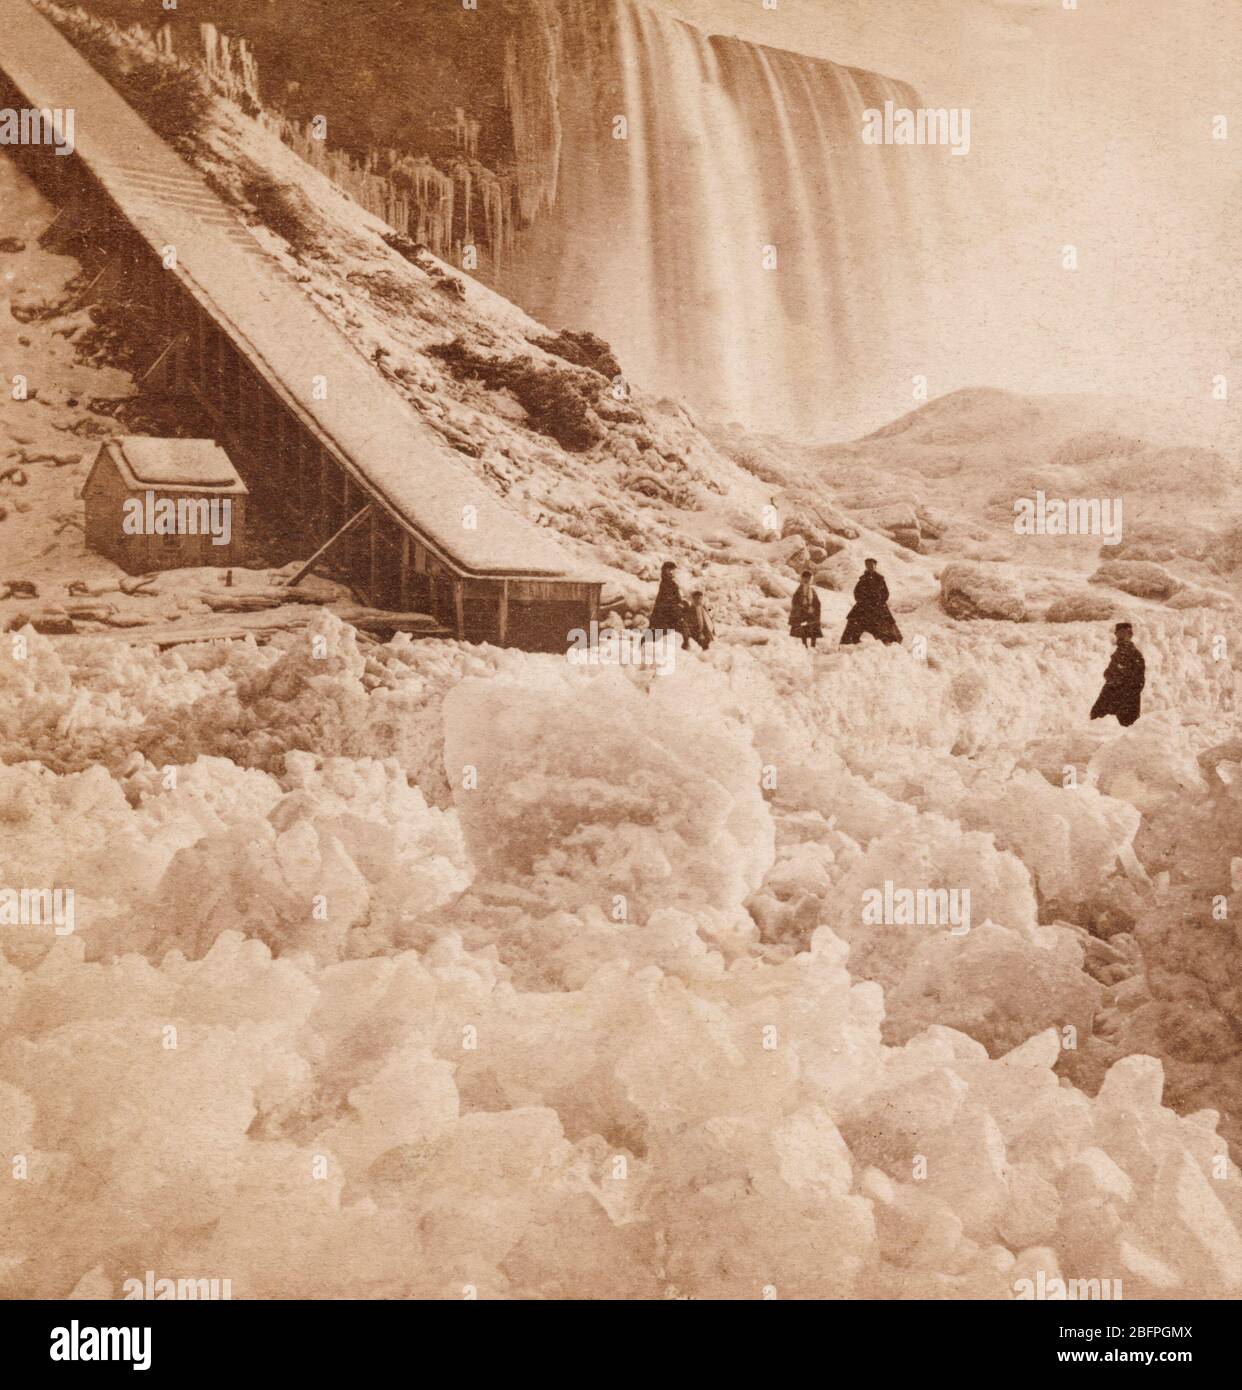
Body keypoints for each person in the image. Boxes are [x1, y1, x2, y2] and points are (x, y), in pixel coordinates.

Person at [1090, 622, 1146, 727]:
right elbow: (1111, 672)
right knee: (1097, 718)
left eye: (1123, 633)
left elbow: (1139, 681)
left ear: (1130, 635)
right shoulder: (1119, 652)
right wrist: (1109, 674)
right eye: (1118, 633)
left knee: (1121, 730)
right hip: (1113, 694)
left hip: (1125, 700)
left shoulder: (1134, 654)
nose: (1119, 636)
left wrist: (1125, 694)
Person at [840, 558, 903, 645]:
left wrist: (879, 602)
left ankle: (890, 642)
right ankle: (849, 642)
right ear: (866, 566)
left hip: (878, 606)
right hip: (863, 606)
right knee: (854, 621)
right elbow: (856, 592)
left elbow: (885, 593)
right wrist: (862, 601)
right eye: (868, 565)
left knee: (885, 624)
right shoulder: (862, 580)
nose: (870, 566)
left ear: (875, 566)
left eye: (872, 565)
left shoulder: (880, 579)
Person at [648, 560, 687, 644]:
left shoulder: (671, 582)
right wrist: (677, 605)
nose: (671, 572)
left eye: (672, 570)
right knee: (659, 632)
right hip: (664, 611)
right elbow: (667, 598)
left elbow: (675, 597)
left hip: (669, 610)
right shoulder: (665, 583)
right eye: (669, 570)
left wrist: (680, 603)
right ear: (664, 570)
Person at [789, 569, 823, 648]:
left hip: (811, 612)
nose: (806, 579)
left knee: (814, 626)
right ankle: (804, 645)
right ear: (802, 578)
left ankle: (813, 645)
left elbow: (817, 602)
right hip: (801, 612)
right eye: (805, 578)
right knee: (803, 630)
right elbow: (795, 602)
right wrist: (801, 608)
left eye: (808, 578)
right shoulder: (799, 590)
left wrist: (814, 608)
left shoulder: (812, 590)